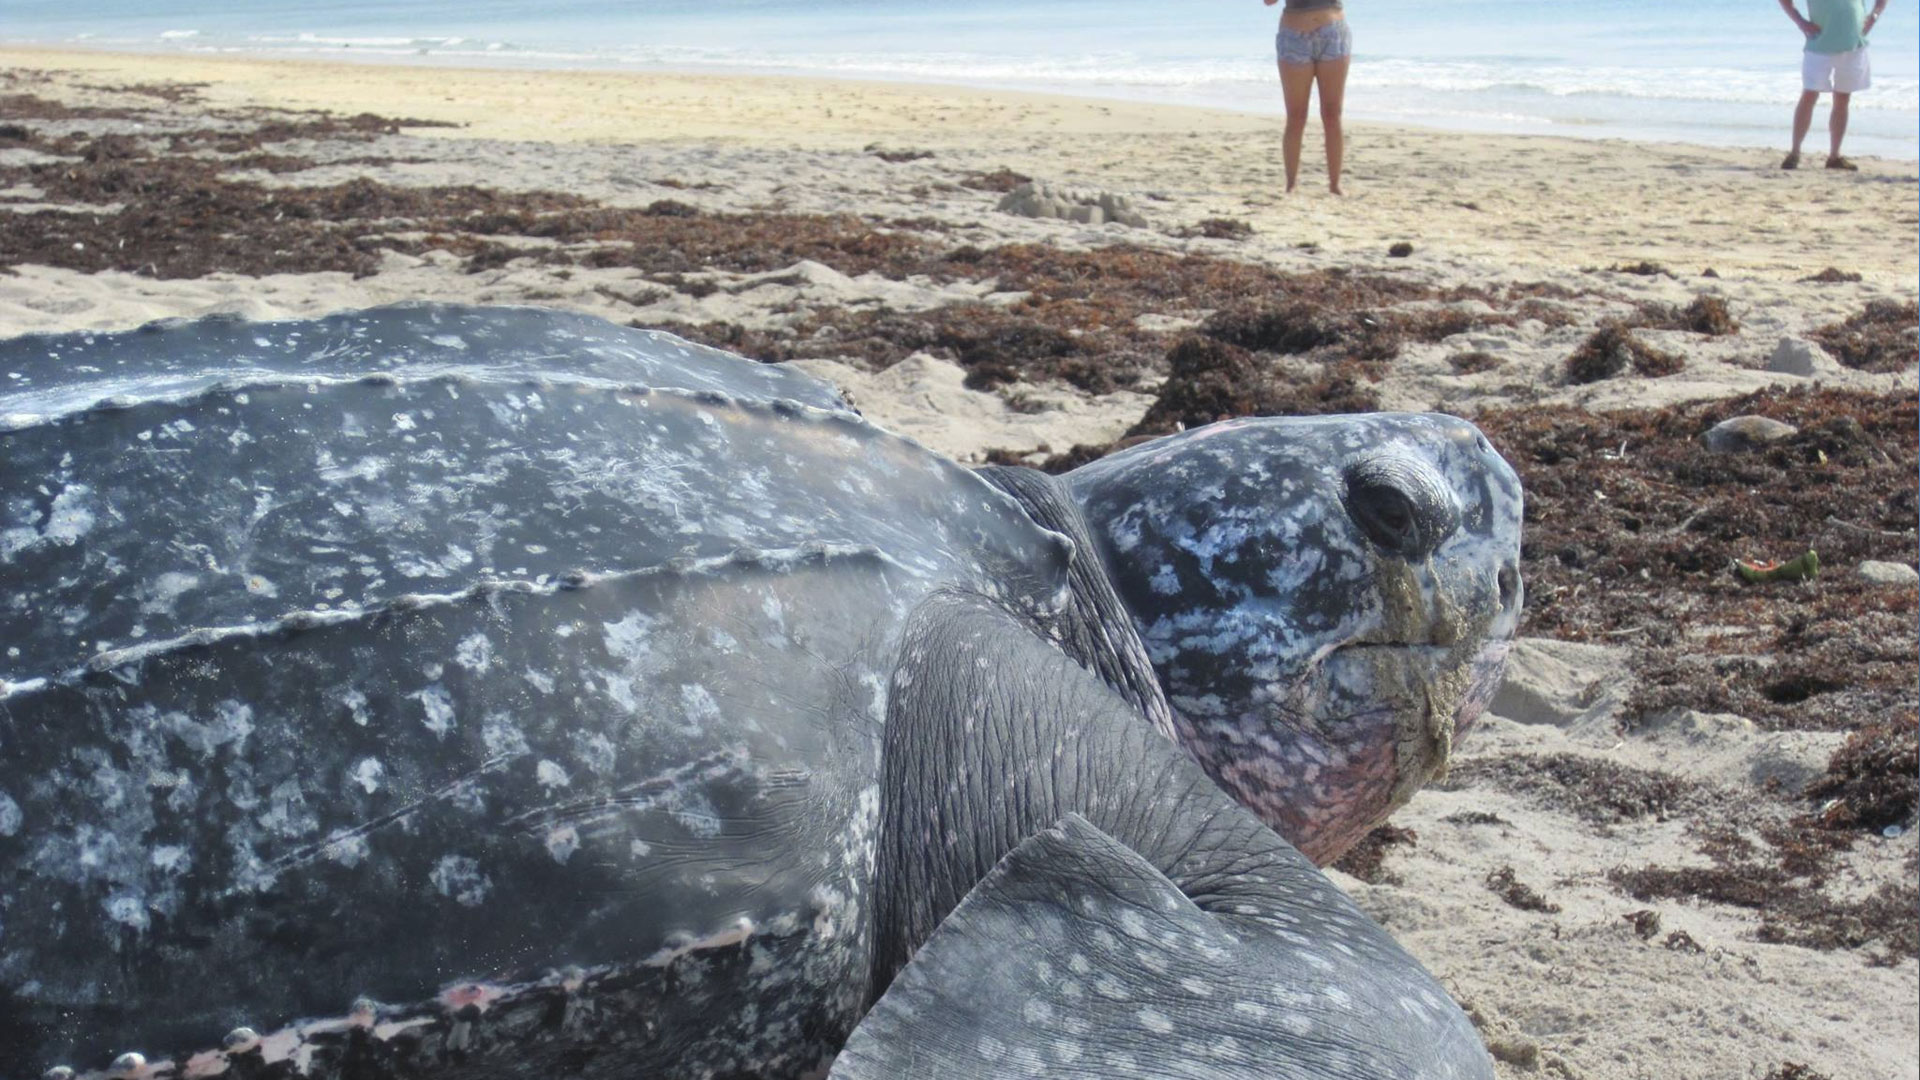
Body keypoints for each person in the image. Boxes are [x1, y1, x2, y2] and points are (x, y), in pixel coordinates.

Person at [1778, 0, 1887, 170]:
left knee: (1843, 98)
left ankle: (1834, 156)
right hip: (1819, 43)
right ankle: (1795, 153)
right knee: (1809, 95)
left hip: (1853, 44)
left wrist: (1874, 15)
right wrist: (1800, 22)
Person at [1264, 0, 1350, 194]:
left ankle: (1335, 185)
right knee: (1296, 116)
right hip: (1294, 35)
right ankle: (1291, 184)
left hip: (1332, 30)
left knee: (1332, 113)